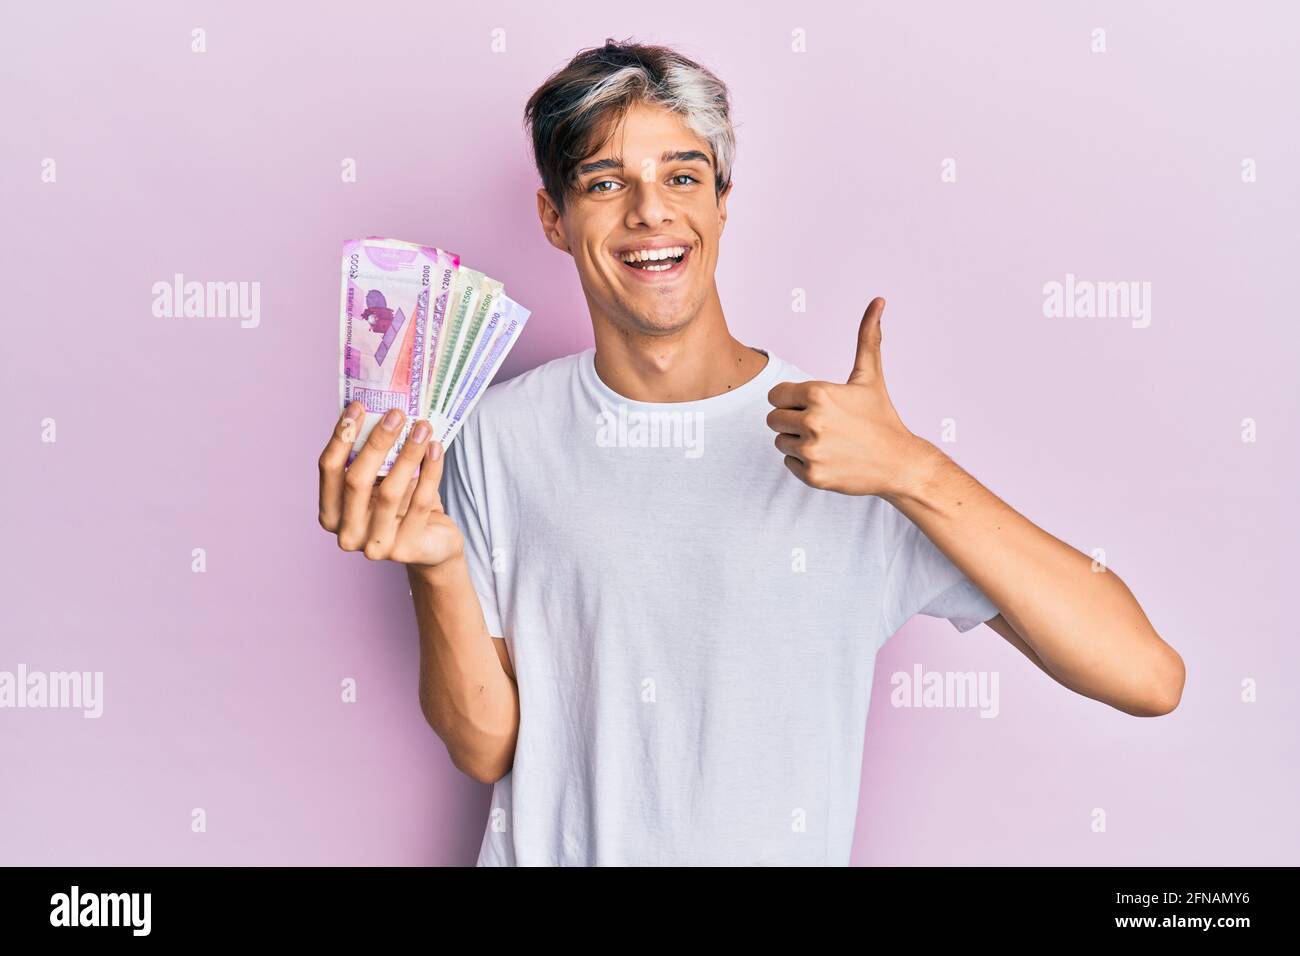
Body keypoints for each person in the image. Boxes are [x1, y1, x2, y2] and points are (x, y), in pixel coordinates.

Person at [317, 39, 1185, 866]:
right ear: (553, 216)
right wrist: (432, 566)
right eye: (605, 181)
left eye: (682, 176)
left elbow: (1145, 676)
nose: (649, 210)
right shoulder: (493, 438)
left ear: (721, 204)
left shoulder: (851, 449)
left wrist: (912, 470)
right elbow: (485, 745)